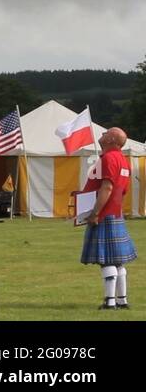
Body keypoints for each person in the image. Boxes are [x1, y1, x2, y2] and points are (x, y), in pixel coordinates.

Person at [79, 127, 136, 310]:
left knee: (107, 260)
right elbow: (123, 190)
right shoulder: (124, 161)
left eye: (105, 133)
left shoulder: (109, 158)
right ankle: (122, 300)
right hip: (116, 212)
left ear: (111, 139)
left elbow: (107, 188)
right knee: (118, 260)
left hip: (104, 214)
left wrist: (95, 212)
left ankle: (110, 302)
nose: (101, 135)